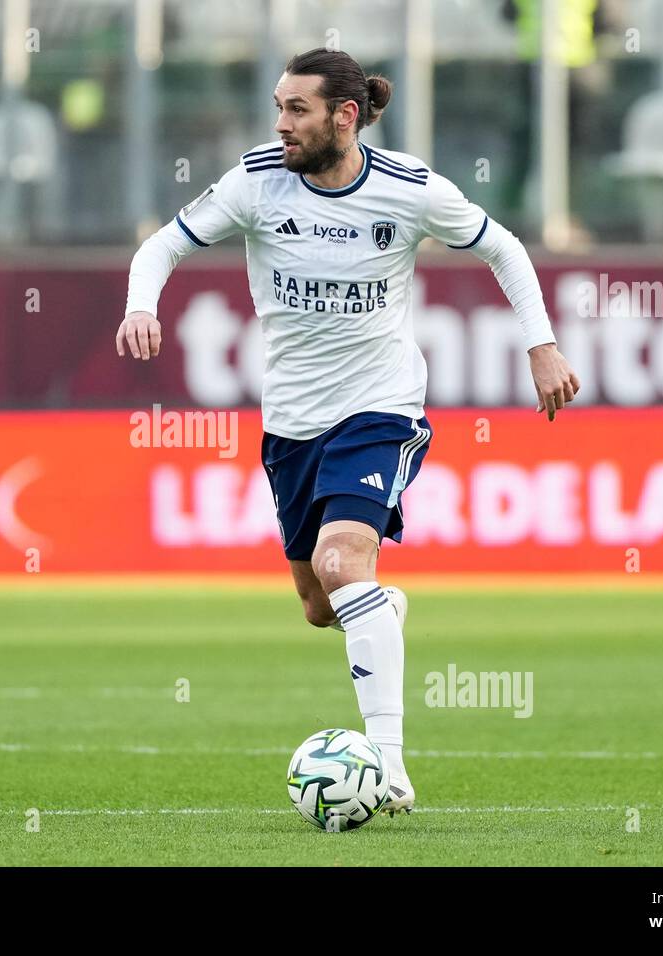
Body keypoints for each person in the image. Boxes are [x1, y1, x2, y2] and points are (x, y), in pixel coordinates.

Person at [116, 49, 580, 813]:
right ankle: (379, 608)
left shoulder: (408, 189)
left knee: (339, 560)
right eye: (278, 106)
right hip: (292, 421)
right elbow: (163, 243)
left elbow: (503, 246)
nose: (281, 124)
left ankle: (390, 768)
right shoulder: (256, 179)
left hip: (379, 405)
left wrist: (541, 343)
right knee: (319, 601)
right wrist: (141, 305)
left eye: (297, 109)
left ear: (346, 115)